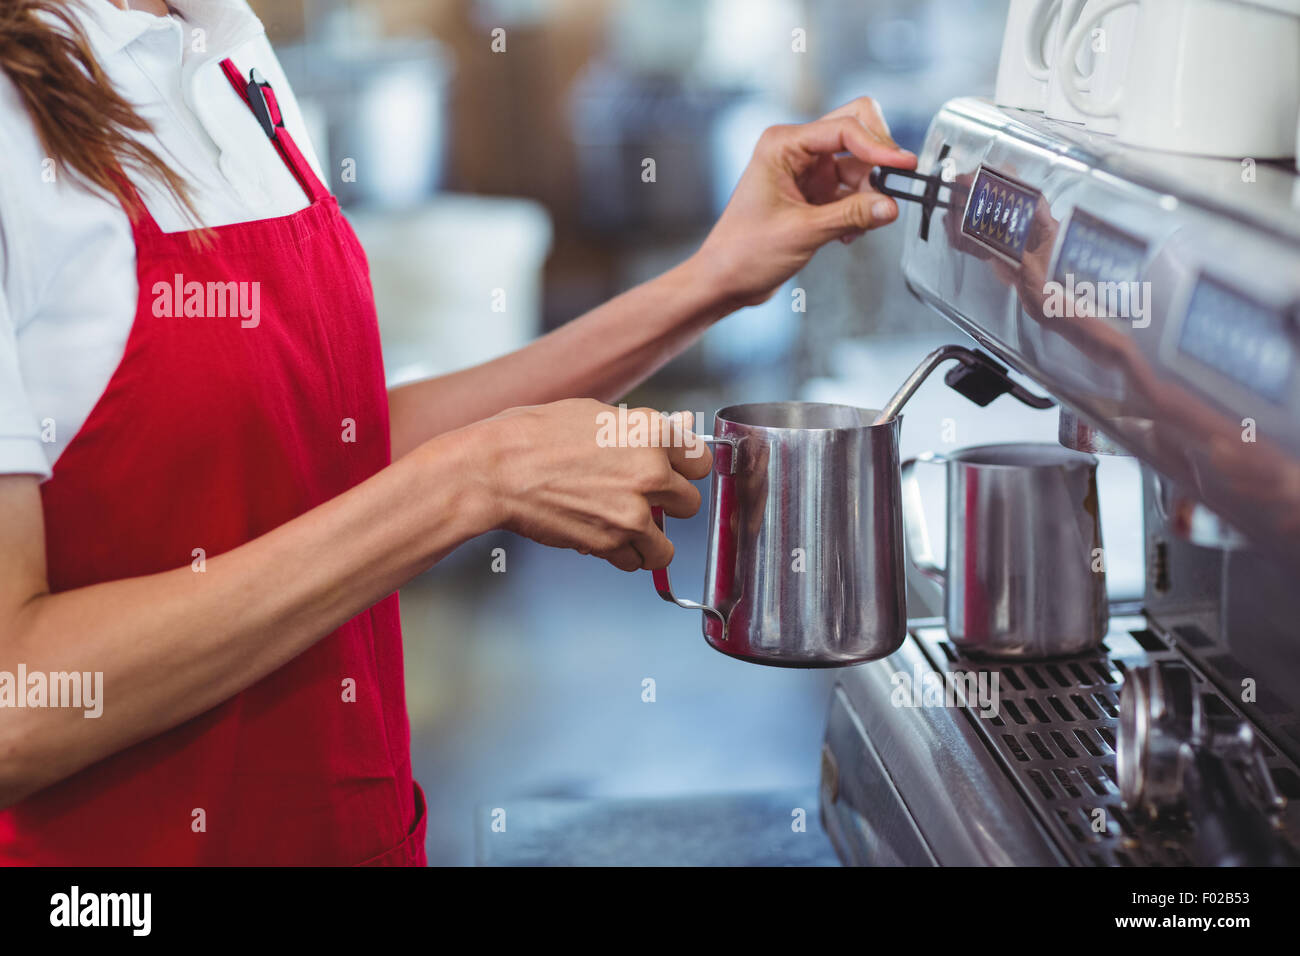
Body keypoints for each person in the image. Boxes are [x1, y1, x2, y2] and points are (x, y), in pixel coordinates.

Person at [0, 0, 915, 864]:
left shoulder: (228, 51)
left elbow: (330, 450)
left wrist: (714, 279)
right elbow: (16, 706)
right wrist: (471, 483)